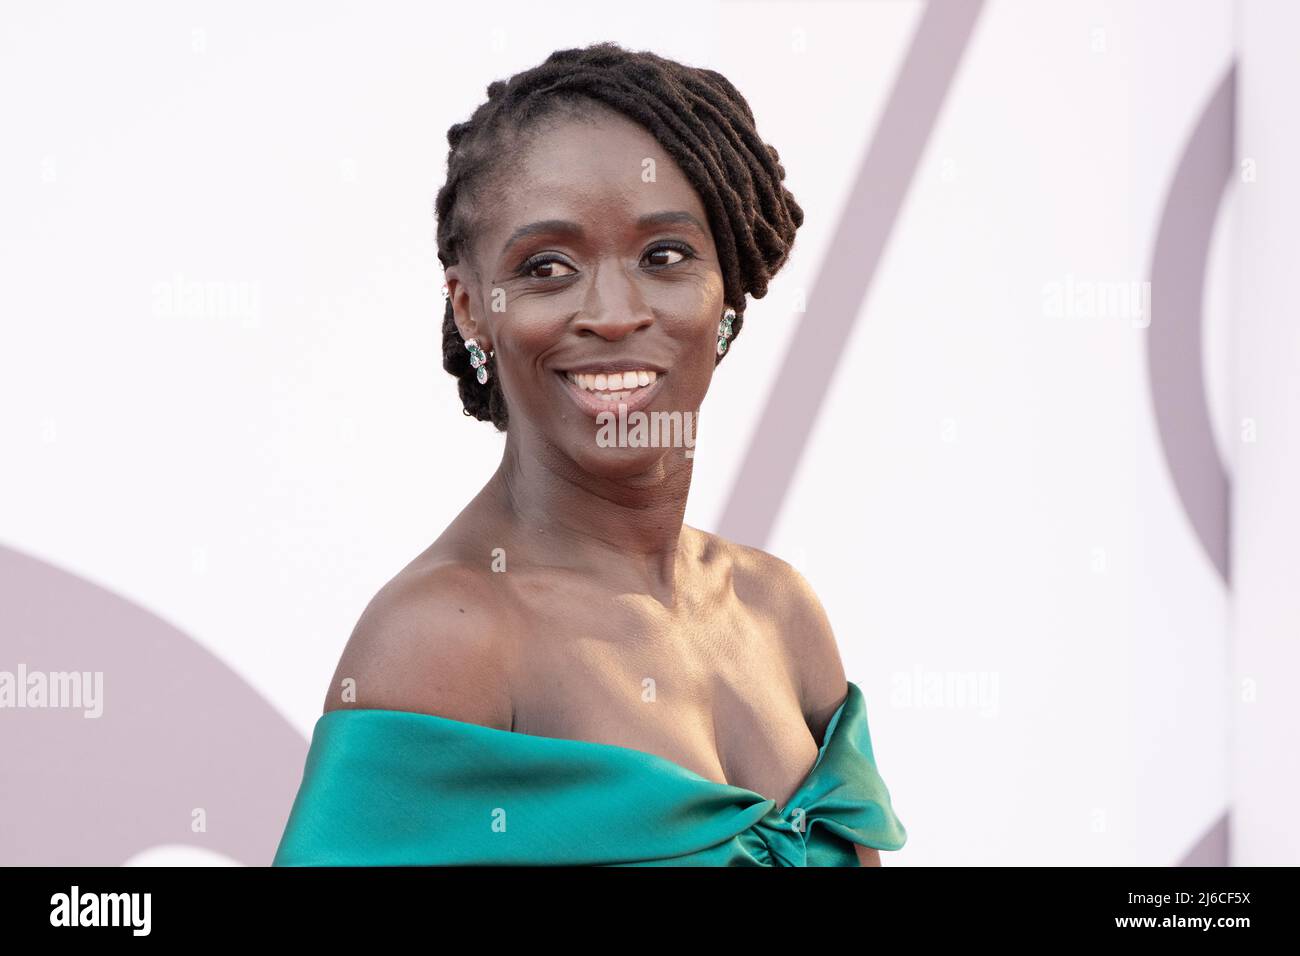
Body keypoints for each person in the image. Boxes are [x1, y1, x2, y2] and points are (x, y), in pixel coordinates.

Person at [273, 40, 906, 866]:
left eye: (665, 255)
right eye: (548, 266)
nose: (613, 312)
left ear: (728, 291)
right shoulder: (446, 640)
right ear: (474, 311)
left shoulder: (780, 613)